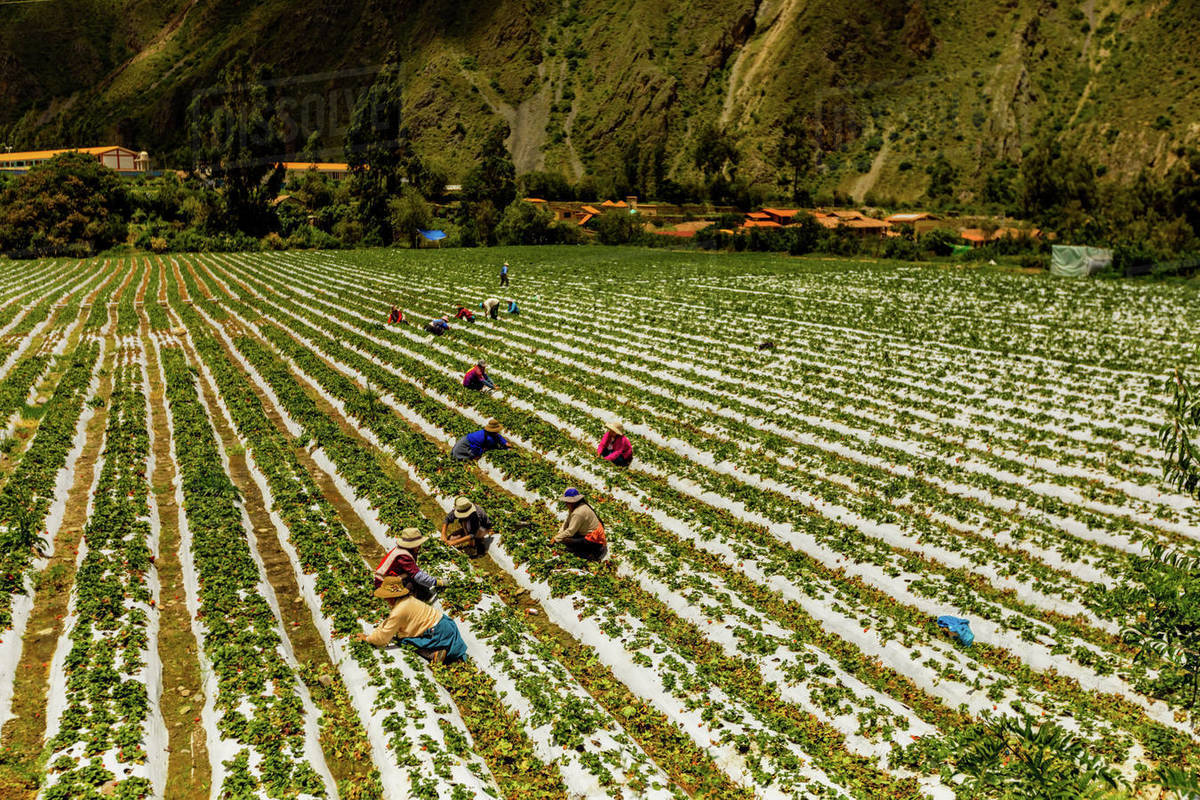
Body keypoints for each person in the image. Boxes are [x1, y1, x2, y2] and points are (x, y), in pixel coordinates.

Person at [357, 579, 468, 664]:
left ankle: (433, 654)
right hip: (446, 624)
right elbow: (388, 622)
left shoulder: (399, 611)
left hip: (437, 632)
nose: (385, 600)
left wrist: (368, 639)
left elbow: (383, 637)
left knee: (404, 641)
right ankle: (443, 650)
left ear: (391, 597)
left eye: (386, 597)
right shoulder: (409, 600)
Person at [373, 527, 444, 601]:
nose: (420, 546)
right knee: (413, 585)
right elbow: (418, 576)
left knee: (421, 584)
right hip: (384, 583)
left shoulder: (405, 550)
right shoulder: (403, 556)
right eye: (418, 544)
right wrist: (437, 582)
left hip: (395, 577)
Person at [551, 487, 607, 561]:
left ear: (572, 502)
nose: (566, 504)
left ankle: (590, 554)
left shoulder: (578, 513)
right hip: (590, 535)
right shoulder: (578, 505)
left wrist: (556, 539)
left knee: (567, 541)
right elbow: (567, 521)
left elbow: (570, 531)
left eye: (567, 502)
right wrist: (559, 534)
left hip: (595, 542)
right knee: (564, 539)